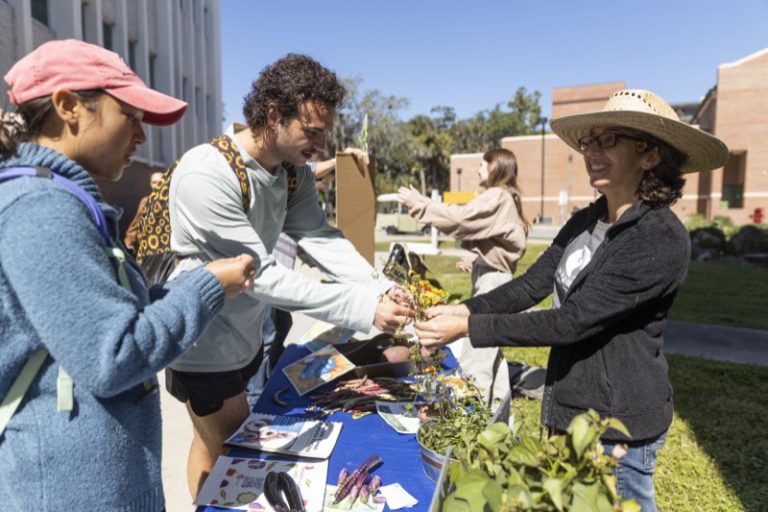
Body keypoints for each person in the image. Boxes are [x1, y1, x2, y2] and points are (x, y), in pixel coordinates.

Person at [413, 89, 730, 510]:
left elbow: (570, 321)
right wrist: (465, 308)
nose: (592, 152)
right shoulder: (587, 219)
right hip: (572, 411)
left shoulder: (659, 237)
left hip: (617, 427)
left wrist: (468, 328)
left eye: (608, 140)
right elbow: (531, 285)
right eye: (589, 141)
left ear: (650, 155)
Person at [0, 40, 256, 511]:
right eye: (131, 116)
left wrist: (190, 285)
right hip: (69, 493)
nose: (141, 137)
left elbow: (118, 314)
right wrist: (206, 287)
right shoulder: (41, 210)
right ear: (68, 106)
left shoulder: (68, 200)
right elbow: (112, 356)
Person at [164, 53, 413, 496]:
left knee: (212, 447)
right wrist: (364, 307)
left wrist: (379, 284)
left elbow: (319, 237)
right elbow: (263, 275)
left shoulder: (291, 173)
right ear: (274, 116)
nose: (320, 147)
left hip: (241, 334)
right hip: (204, 341)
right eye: (312, 132)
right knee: (233, 459)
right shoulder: (208, 172)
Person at [397, 148, 530, 406]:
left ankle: (469, 415)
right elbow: (502, 242)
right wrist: (479, 260)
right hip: (494, 278)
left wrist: (420, 204)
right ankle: (499, 416)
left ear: (493, 167)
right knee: (492, 348)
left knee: (477, 349)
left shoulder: (497, 196)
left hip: (493, 283)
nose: (478, 170)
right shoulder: (506, 197)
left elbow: (461, 220)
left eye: (482, 164)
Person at [123, 170, 163, 253]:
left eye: (159, 182)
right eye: (154, 182)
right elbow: (136, 224)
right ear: (150, 184)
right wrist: (129, 243)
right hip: (150, 247)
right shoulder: (146, 201)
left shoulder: (173, 201)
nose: (156, 186)